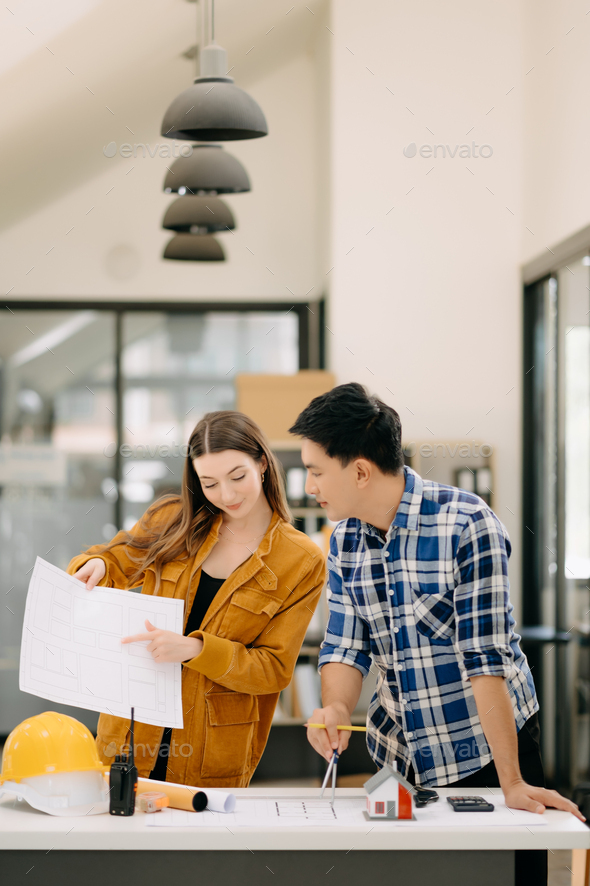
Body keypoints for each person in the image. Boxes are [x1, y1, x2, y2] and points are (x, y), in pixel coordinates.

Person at [290, 382, 583, 886]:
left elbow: (484, 659)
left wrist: (512, 783)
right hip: (399, 756)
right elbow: (343, 645)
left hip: (487, 749)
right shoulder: (343, 541)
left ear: (359, 471)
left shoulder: (468, 524)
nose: (310, 485)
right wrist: (336, 708)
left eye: (316, 471)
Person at [68, 411, 325, 788]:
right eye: (210, 483)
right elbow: (115, 559)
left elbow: (272, 669)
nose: (227, 495)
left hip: (212, 750)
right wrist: (96, 565)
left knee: (197, 847)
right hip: (132, 729)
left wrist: (195, 649)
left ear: (263, 464)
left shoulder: (301, 559)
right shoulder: (172, 519)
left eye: (238, 477)